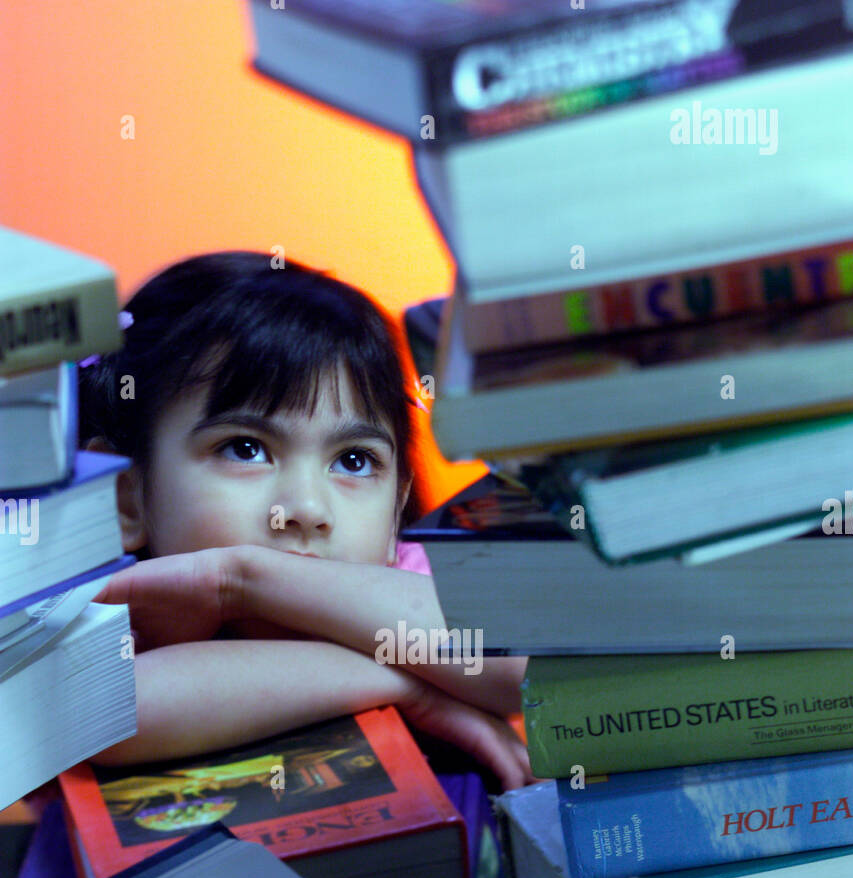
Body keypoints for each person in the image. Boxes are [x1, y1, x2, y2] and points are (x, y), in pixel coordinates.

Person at [81, 251, 533, 789]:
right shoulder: (123, 599)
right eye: (245, 449)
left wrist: (241, 579)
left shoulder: (406, 580)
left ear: (395, 511)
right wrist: (407, 685)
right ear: (125, 500)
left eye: (354, 461)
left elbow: (519, 668)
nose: (307, 510)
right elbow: (99, 715)